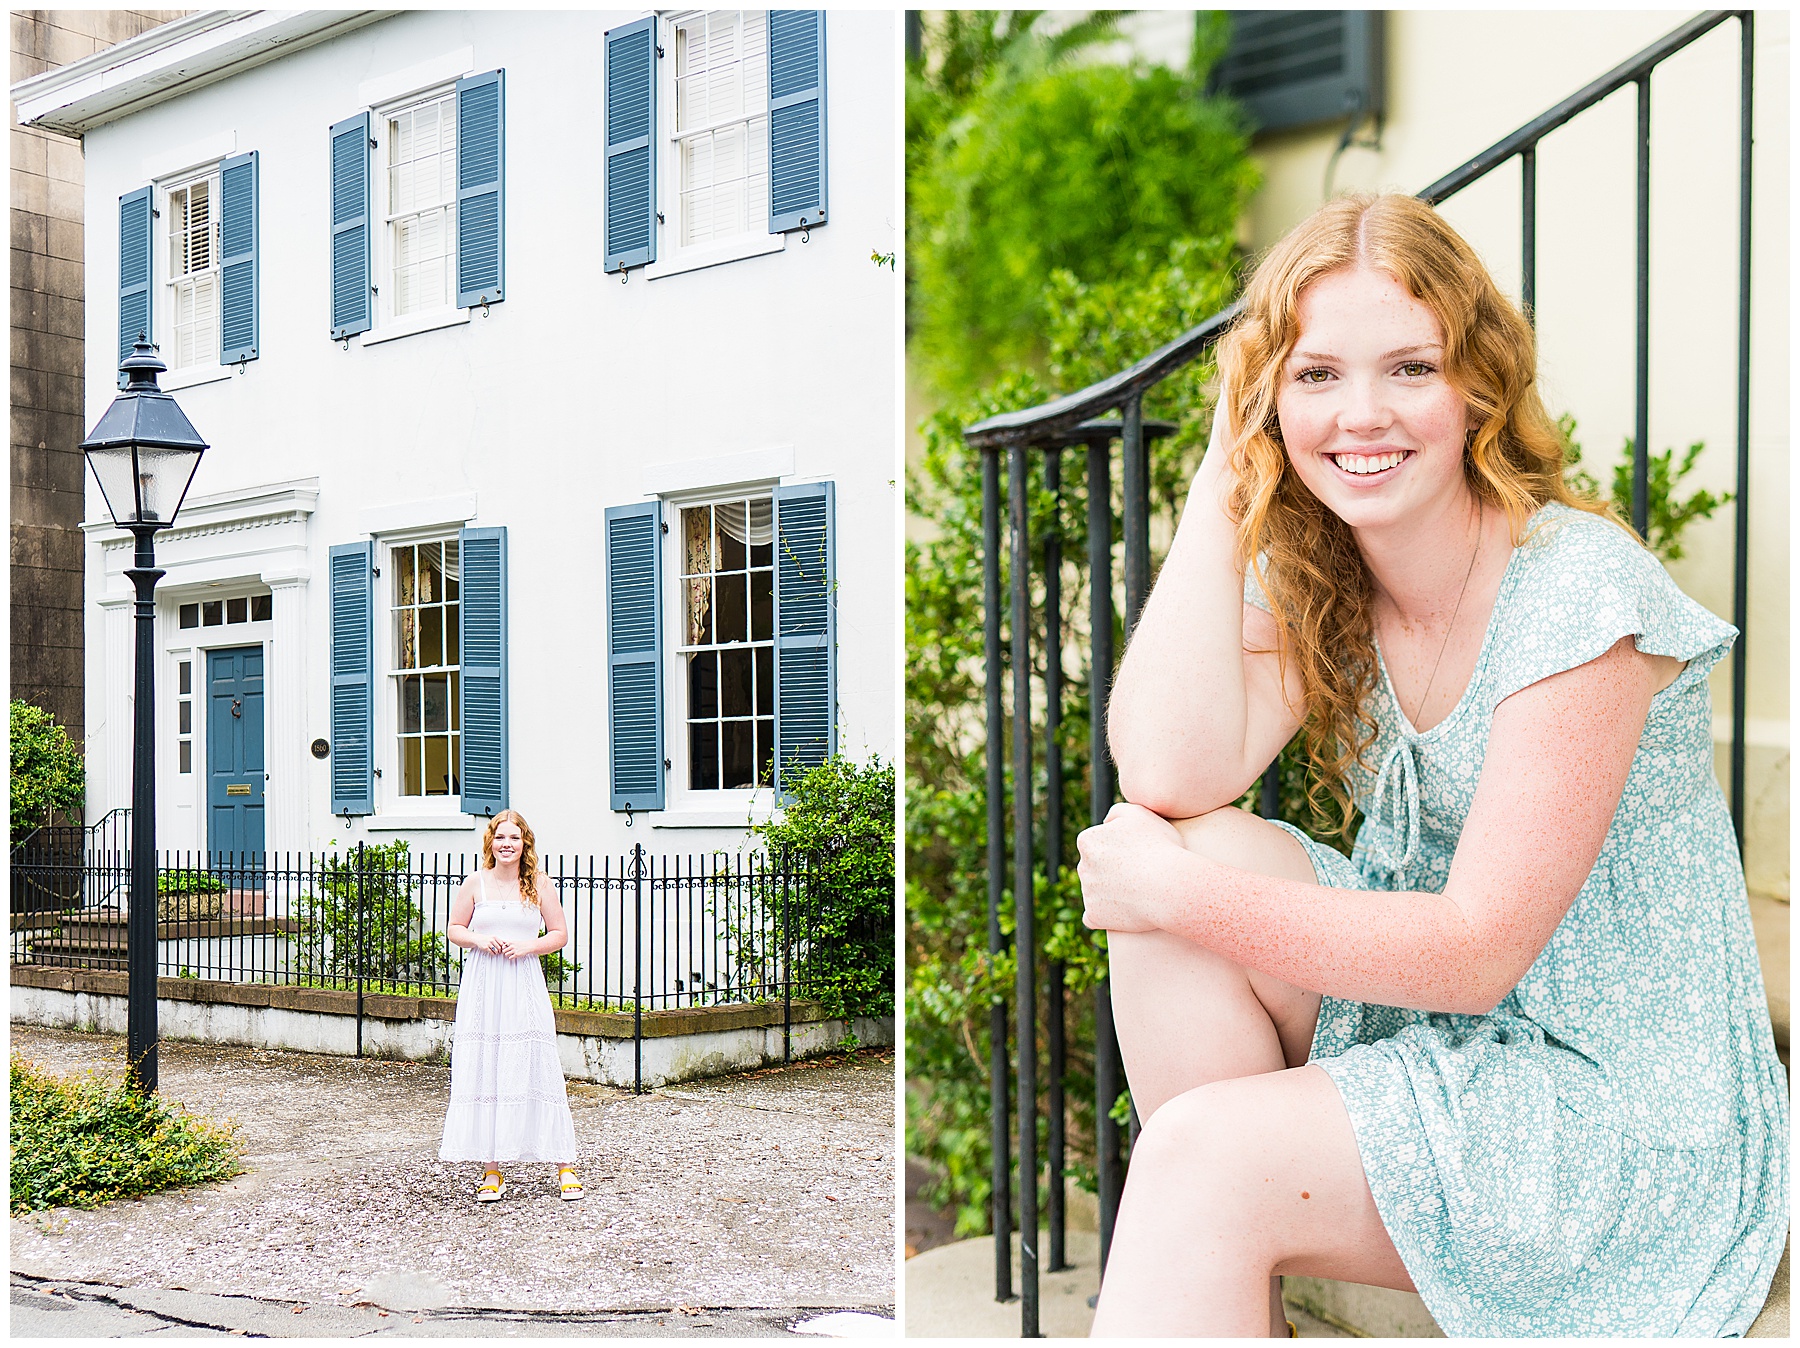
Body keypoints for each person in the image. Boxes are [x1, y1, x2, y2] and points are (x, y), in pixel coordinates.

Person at [1076, 193, 1786, 1337]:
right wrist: (1221, 478)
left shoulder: (1578, 594)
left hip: (1619, 1107)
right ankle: (1220, 1266)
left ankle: (1214, 1236)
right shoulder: (1334, 575)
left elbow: (1471, 951)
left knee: (1197, 1132)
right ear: (1268, 397)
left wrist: (1181, 894)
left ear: (1477, 388)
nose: (1362, 414)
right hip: (1458, 1040)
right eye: (1313, 376)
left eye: (1409, 367)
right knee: (1177, 842)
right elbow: (1163, 768)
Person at [440, 809, 583, 1203]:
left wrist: (527, 946)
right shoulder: (475, 884)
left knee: (538, 1065)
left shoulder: (538, 884)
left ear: (525, 844)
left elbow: (559, 934)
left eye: (514, 838)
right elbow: (454, 928)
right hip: (485, 986)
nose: (507, 844)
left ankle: (563, 1164)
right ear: (491, 842)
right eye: (500, 837)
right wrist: (478, 940)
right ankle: (492, 1170)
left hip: (523, 984)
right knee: (488, 1068)